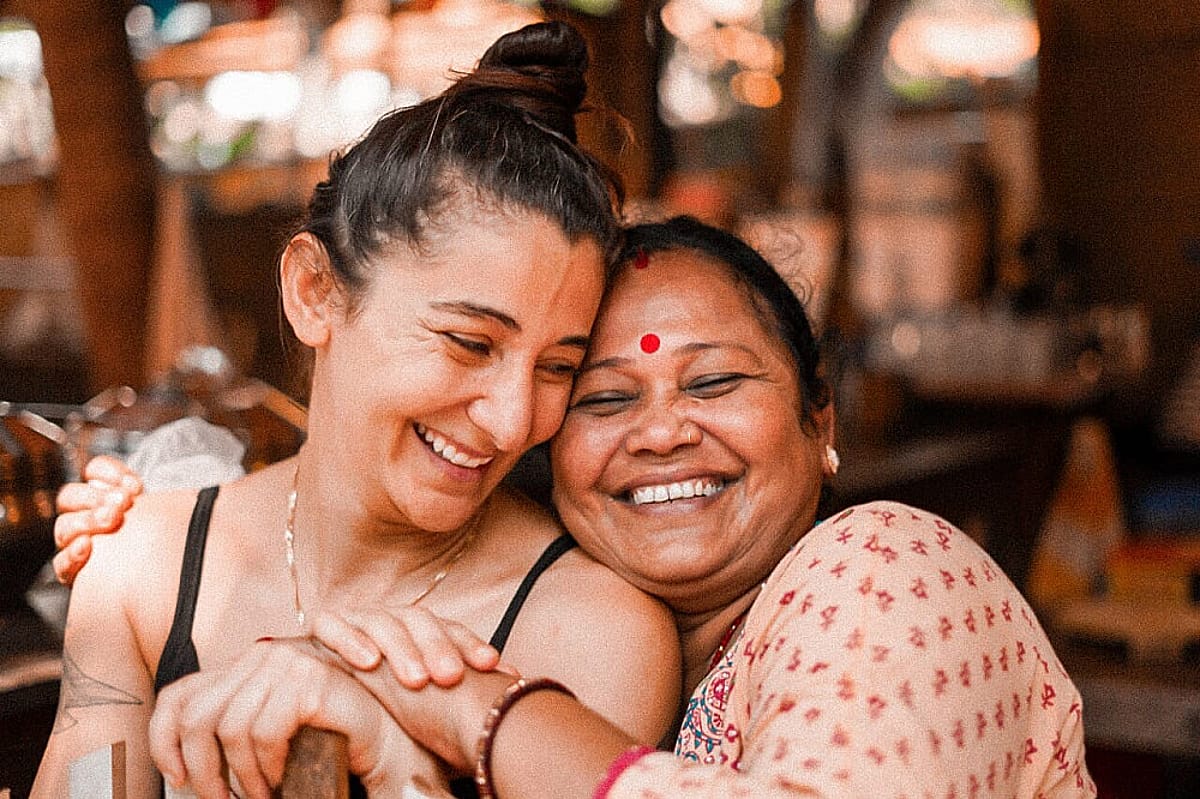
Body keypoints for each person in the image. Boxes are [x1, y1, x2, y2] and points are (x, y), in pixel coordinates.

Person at [56, 216, 1097, 798]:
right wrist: (195, 513)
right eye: (601, 396)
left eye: (715, 382)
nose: (659, 432)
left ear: (821, 418)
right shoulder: (610, 655)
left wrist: (471, 703)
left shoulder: (887, 568)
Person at [32, 22, 681, 799]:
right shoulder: (145, 569)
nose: (513, 421)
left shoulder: (591, 633)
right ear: (315, 292)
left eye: (559, 367)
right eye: (469, 342)